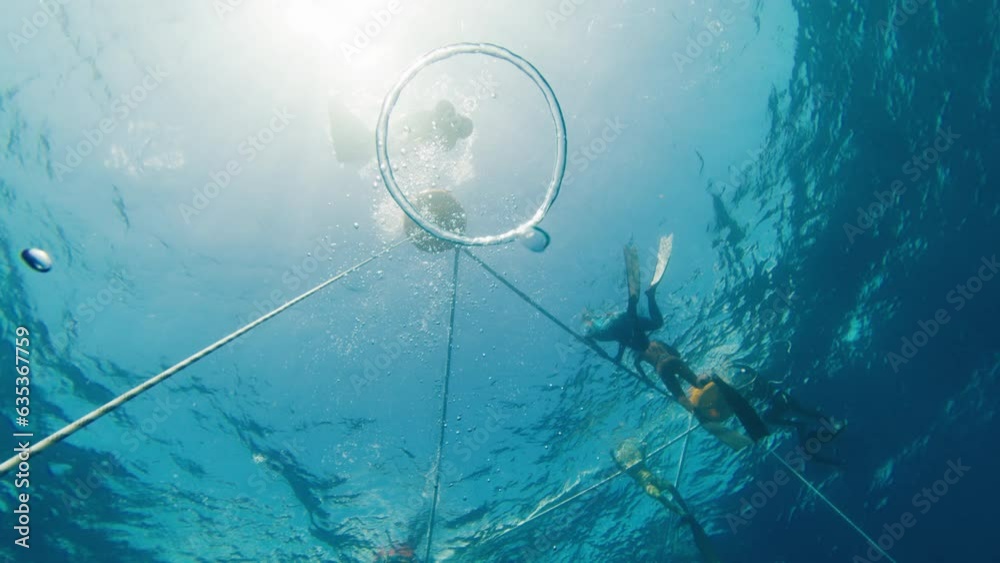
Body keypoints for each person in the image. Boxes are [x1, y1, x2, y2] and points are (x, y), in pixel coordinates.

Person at [585, 236, 769, 449]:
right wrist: (674, 361)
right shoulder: (654, 343)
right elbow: (675, 353)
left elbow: (634, 360)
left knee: (683, 399)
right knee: (661, 330)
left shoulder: (636, 349)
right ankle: (648, 298)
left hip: (660, 365)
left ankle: (633, 304)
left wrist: (644, 376)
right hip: (669, 358)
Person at [613, 438, 722, 563]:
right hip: (647, 485)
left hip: (654, 479)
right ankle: (681, 513)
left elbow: (643, 453)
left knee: (670, 487)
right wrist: (613, 457)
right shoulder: (627, 467)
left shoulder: (637, 458)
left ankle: (684, 508)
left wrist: (644, 446)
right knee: (659, 496)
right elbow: (619, 467)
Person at [741, 366, 847, 467]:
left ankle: (819, 432)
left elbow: (753, 380)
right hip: (782, 401)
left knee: (800, 417)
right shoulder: (754, 388)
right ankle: (818, 431)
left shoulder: (756, 384)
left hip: (782, 401)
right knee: (801, 416)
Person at [328, 95, 473, 165]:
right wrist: (446, 117)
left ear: (457, 134)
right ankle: (348, 150)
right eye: (457, 120)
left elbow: (433, 145)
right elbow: (443, 104)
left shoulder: (448, 139)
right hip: (403, 128)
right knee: (374, 141)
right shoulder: (445, 111)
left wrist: (448, 128)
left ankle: (349, 152)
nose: (454, 123)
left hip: (406, 141)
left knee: (376, 148)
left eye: (458, 128)